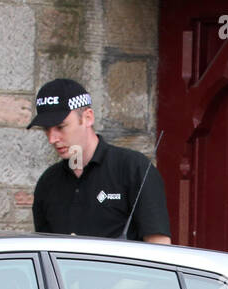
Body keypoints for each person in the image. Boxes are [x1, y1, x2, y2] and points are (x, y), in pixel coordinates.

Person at [28, 78, 171, 243]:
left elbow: (159, 247)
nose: (52, 138)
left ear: (88, 118)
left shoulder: (133, 168)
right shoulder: (48, 183)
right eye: (47, 129)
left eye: (61, 127)